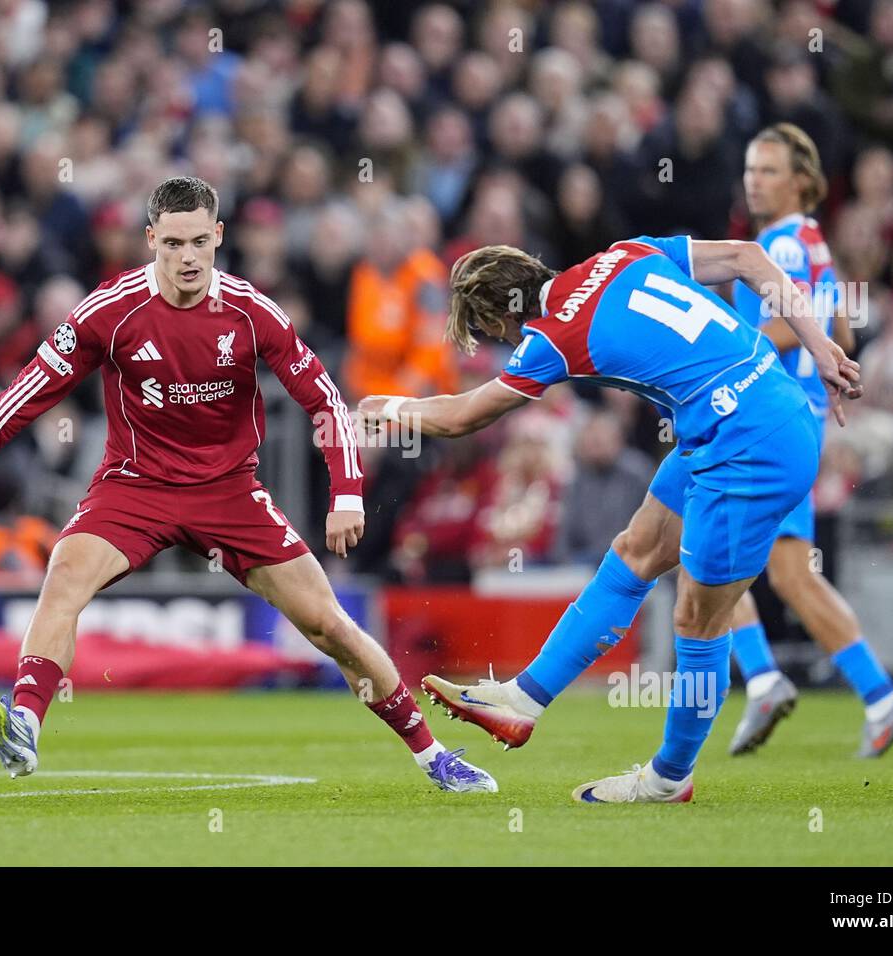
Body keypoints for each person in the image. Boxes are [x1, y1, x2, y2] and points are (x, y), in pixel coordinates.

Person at [0, 176, 495, 794]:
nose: (187, 258)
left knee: (330, 627)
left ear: (219, 238)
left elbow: (324, 398)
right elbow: (28, 392)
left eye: (200, 242)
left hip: (229, 491)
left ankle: (435, 756)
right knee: (64, 579)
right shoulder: (109, 310)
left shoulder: (251, 310)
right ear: (151, 239)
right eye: (174, 243)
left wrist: (346, 491)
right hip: (135, 486)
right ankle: (23, 726)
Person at [359, 233, 860, 803]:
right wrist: (818, 346)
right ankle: (522, 702)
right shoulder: (624, 253)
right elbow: (747, 256)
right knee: (636, 550)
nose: (507, 341)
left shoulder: (553, 336)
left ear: (502, 315)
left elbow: (462, 416)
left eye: (496, 332)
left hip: (749, 446)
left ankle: (670, 778)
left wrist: (389, 407)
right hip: (749, 412)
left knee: (699, 621)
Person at [717, 123, 893, 757]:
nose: (754, 180)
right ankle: (881, 696)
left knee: (695, 546)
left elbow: (780, 329)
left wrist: (715, 355)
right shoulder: (813, 244)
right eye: (750, 169)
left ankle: (766, 679)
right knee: (792, 575)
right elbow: (842, 337)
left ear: (801, 180)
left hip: (758, 419)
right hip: (796, 424)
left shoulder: (779, 244)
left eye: (768, 170)